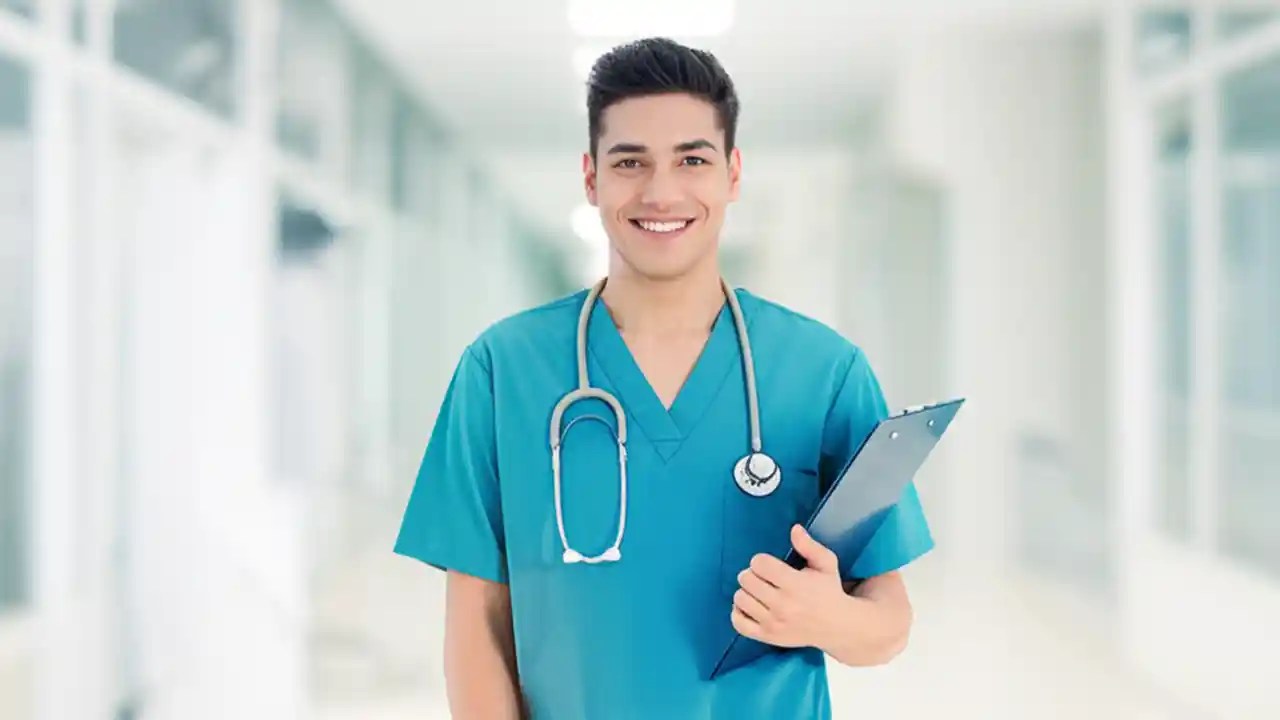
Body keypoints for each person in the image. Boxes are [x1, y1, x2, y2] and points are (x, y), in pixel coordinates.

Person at [394, 36, 933, 720]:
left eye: (692, 160)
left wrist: (831, 620)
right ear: (590, 177)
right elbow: (476, 623)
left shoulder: (826, 373)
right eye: (630, 162)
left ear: (732, 174)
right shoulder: (502, 371)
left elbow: (889, 622)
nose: (661, 191)